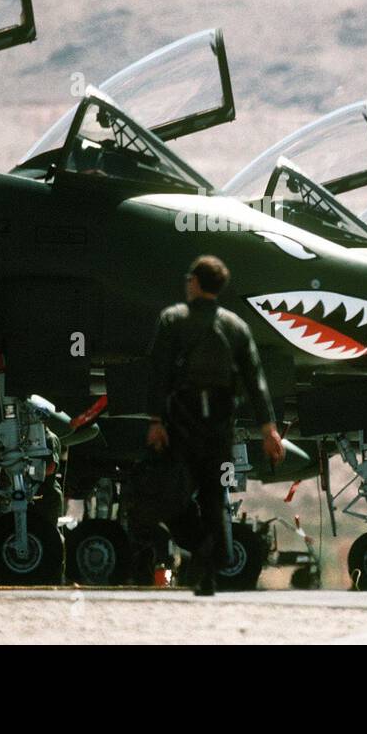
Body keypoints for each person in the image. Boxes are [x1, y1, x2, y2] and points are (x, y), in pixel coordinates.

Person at [131, 255, 284, 596]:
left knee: (169, 492)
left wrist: (156, 420)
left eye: (190, 278)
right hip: (219, 421)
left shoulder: (173, 320)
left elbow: (158, 373)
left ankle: (200, 545)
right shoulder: (237, 327)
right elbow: (255, 379)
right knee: (215, 496)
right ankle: (210, 574)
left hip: (181, 417)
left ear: (197, 283)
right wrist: (267, 428)